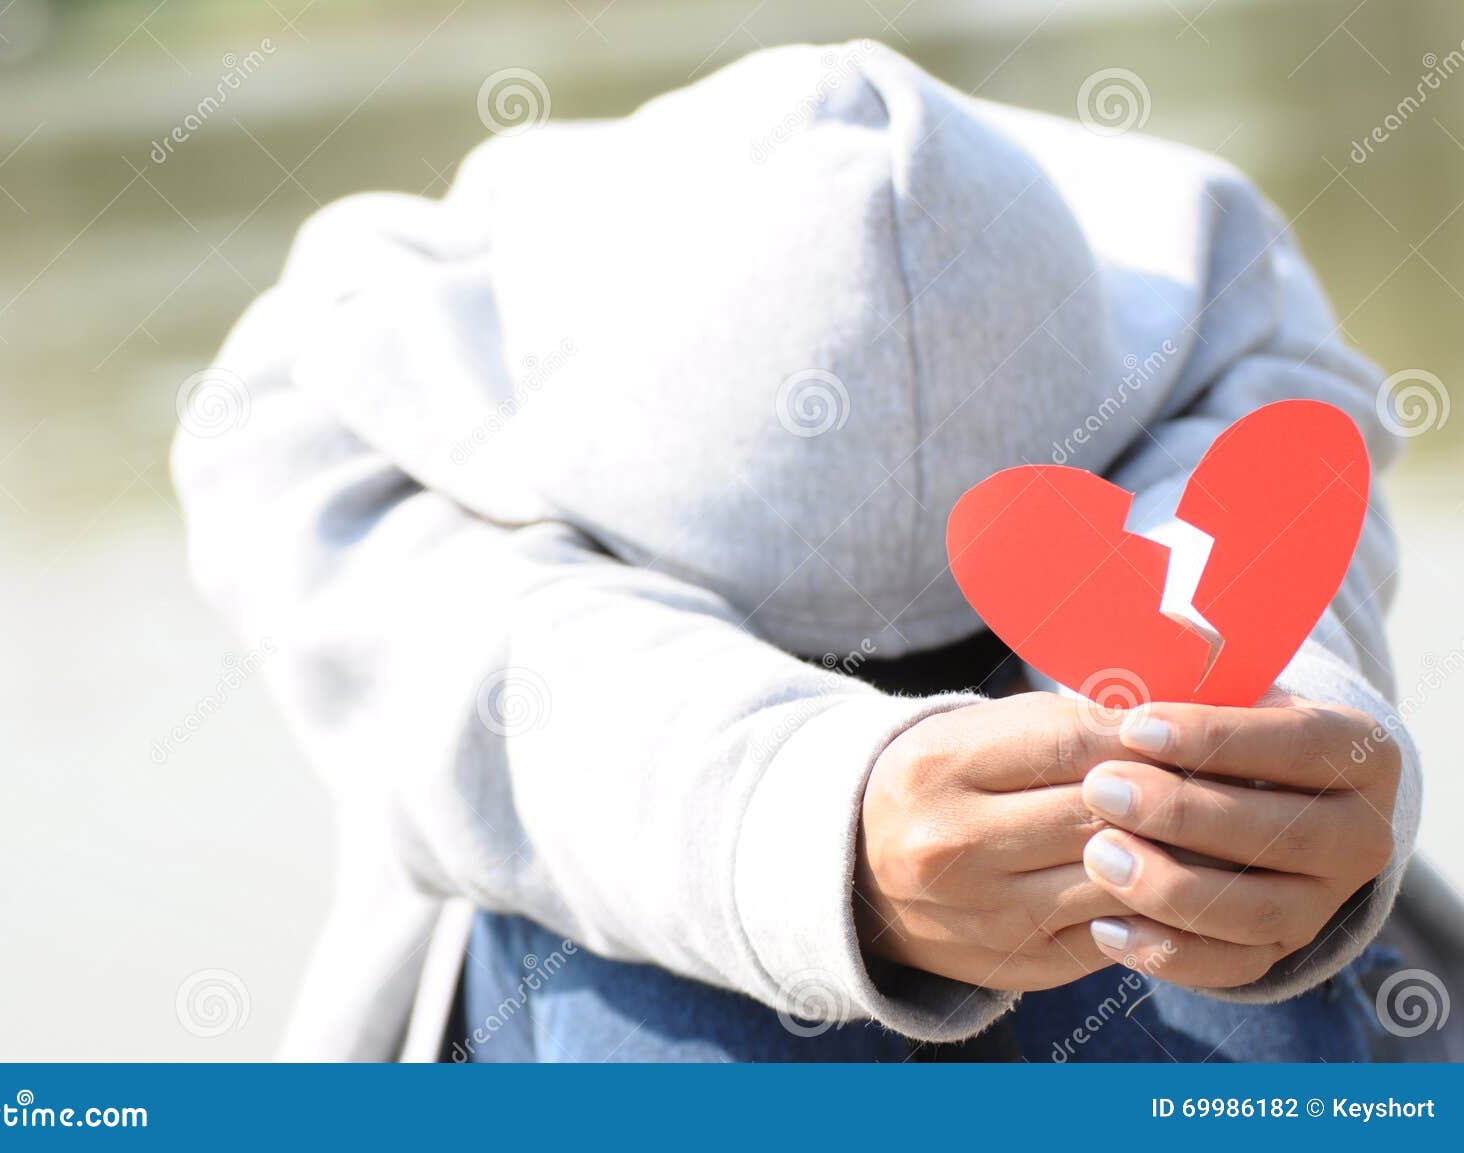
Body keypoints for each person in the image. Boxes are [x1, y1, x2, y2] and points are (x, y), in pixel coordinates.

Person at [172, 42, 1418, 1062]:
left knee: (1222, 974)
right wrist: (799, 817)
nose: (923, 696)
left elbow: (1270, 484)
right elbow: (426, 625)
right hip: (601, 961)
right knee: (640, 1012)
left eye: (972, 642)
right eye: (793, 638)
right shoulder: (410, 341)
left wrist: (1282, 754)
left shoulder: (1200, 285)